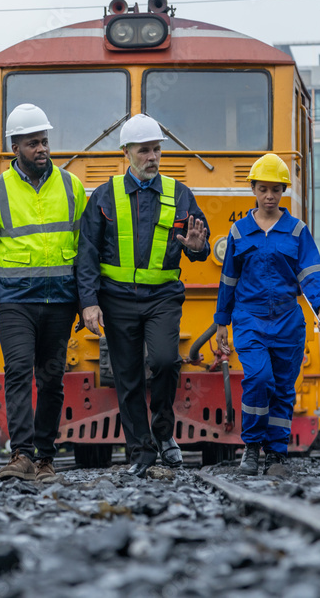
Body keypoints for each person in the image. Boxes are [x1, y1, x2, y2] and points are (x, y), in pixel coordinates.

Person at [78, 114, 210, 477]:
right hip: (116, 299)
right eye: (144, 150)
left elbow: (200, 244)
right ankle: (141, 450)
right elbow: (86, 251)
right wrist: (88, 302)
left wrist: (199, 248)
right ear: (127, 153)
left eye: (157, 149)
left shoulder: (180, 194)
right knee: (128, 375)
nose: (152, 156)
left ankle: (164, 433)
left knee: (166, 361)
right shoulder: (104, 196)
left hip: (163, 297)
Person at [0, 104, 86, 482]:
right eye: (33, 143)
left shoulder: (72, 187)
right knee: (18, 371)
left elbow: (87, 249)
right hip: (15, 301)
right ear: (15, 146)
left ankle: (46, 458)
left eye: (45, 141)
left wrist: (88, 299)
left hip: (61, 301)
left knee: (50, 379)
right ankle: (22, 454)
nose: (42, 149)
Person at [213, 153, 320, 476]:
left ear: (283, 192)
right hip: (249, 319)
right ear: (253, 189)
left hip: (287, 321)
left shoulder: (296, 231)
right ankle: (251, 448)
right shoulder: (239, 232)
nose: (269, 196)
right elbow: (228, 280)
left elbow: (311, 272)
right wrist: (221, 321)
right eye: (263, 189)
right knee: (258, 378)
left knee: (282, 388)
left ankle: (276, 454)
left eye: (276, 190)